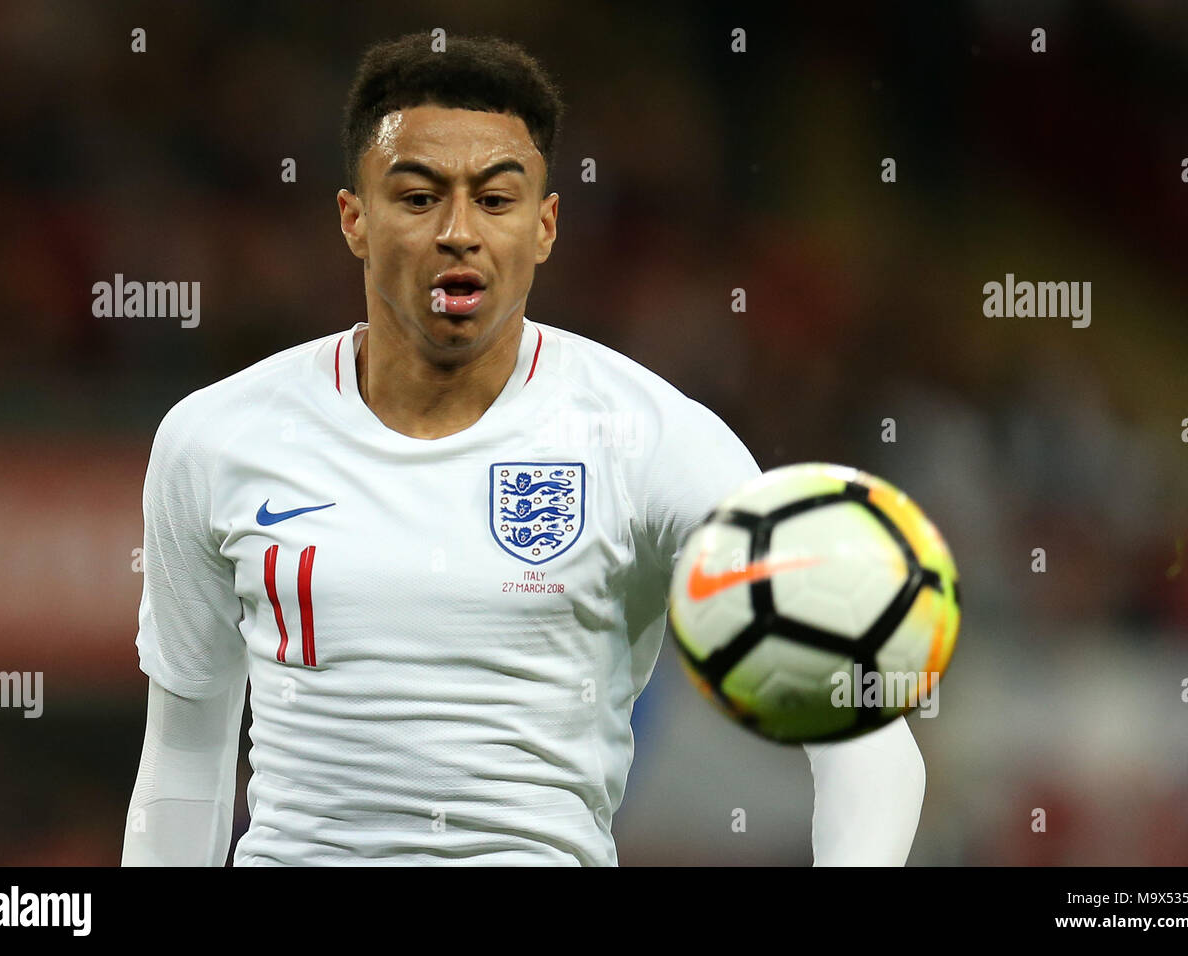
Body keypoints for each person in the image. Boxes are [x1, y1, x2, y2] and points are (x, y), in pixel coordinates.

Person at [121, 31, 925, 866]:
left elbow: (867, 740)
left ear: (544, 226)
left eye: (496, 200)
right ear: (354, 220)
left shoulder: (649, 439)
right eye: (419, 196)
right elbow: (185, 757)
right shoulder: (216, 439)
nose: (459, 231)